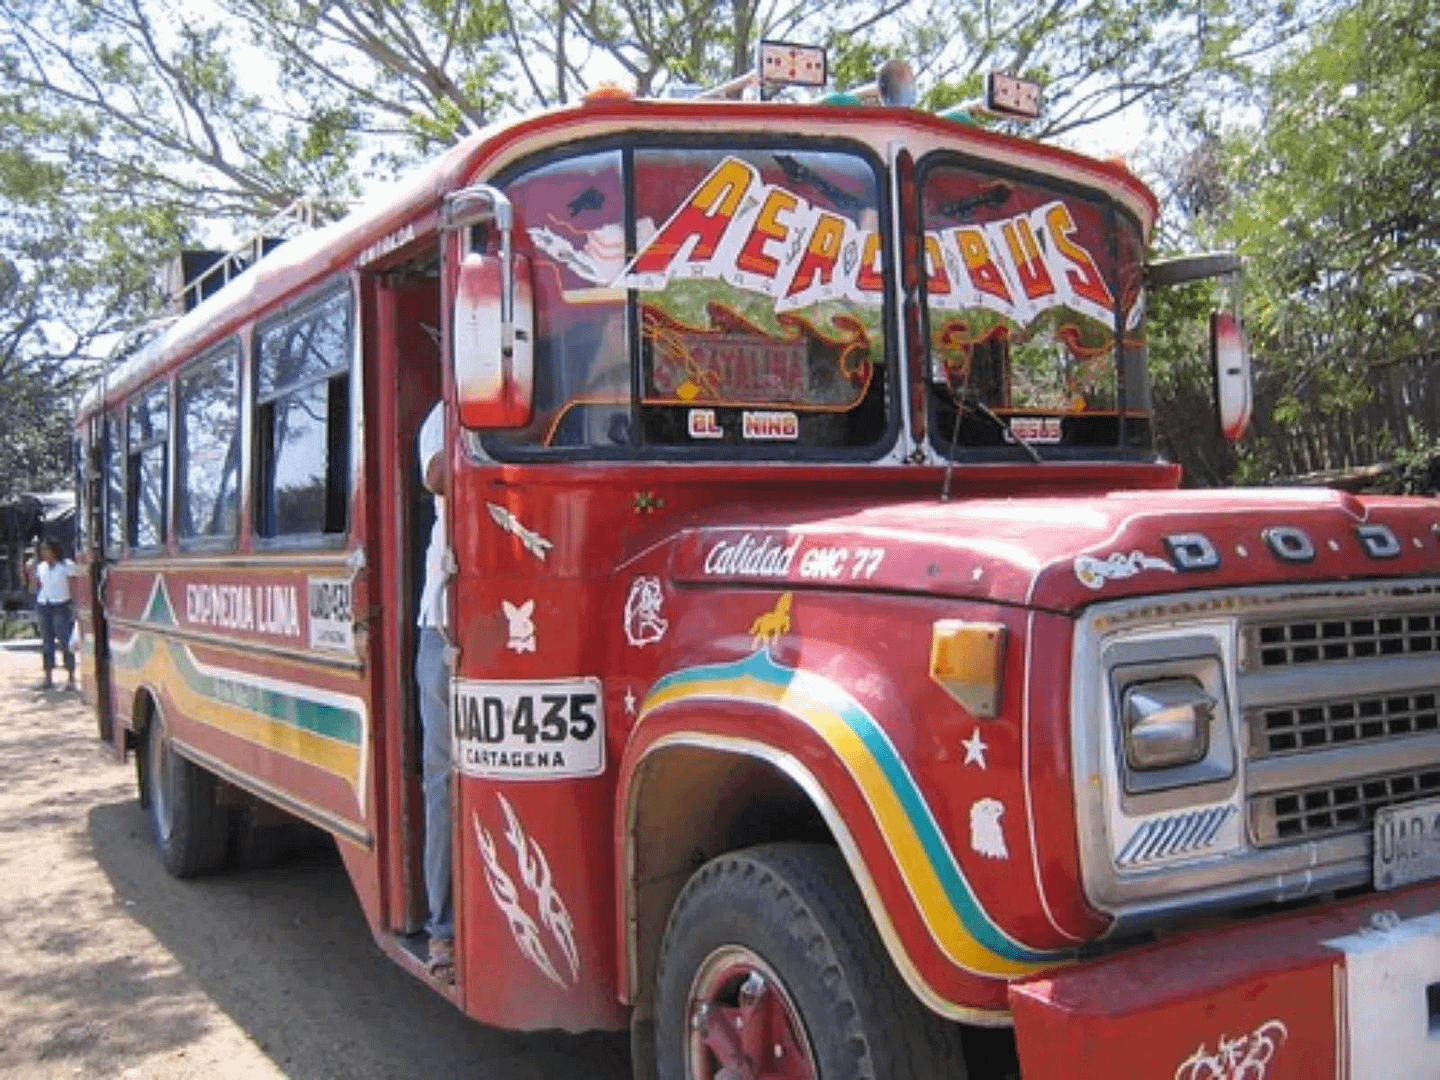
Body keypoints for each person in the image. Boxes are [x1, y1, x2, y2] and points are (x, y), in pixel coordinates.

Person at [415, 401, 454, 982]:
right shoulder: (447, 410)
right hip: (447, 622)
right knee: (446, 779)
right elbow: (443, 471)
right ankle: (444, 930)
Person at [32, 541, 78, 691]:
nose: (44, 552)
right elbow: (35, 587)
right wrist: (29, 574)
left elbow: (73, 587)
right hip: (44, 603)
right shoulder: (41, 567)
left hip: (61, 604)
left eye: (46, 549)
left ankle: (71, 677)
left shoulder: (67, 566)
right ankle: (48, 676)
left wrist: (75, 606)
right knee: (47, 642)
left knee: (65, 641)